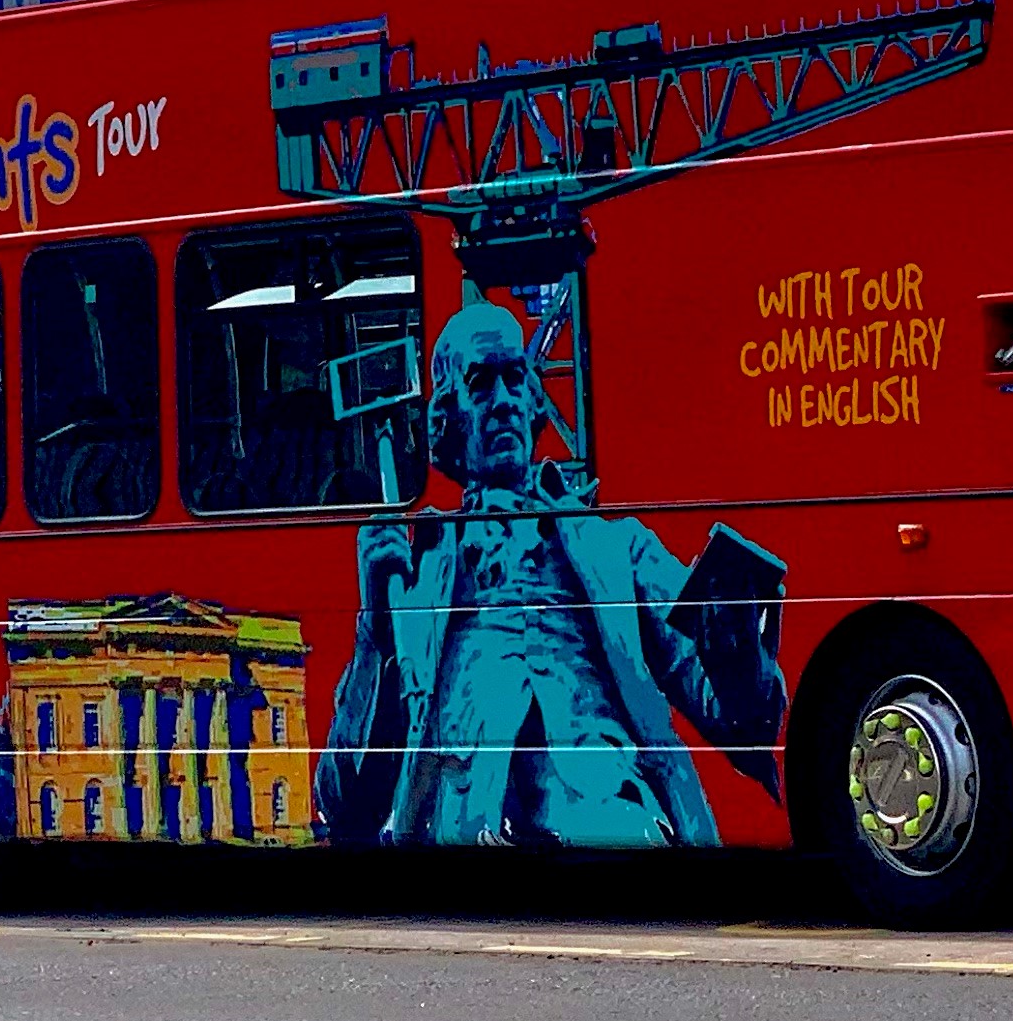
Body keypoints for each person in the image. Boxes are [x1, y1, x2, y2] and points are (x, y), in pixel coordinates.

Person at [313, 296, 784, 849]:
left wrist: (736, 648)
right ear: (448, 415)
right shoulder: (413, 573)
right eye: (481, 383)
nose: (505, 401)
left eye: (516, 379)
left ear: (536, 399)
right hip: (463, 844)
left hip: (618, 830)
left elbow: (744, 725)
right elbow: (343, 805)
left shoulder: (617, 547)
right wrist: (374, 634)